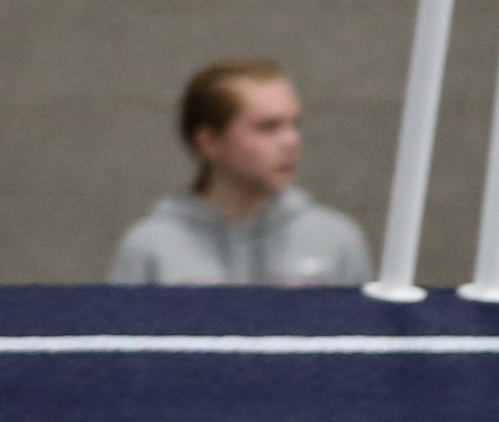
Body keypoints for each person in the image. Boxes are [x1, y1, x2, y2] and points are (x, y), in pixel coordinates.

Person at [106, 60, 374, 288]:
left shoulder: (335, 239)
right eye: (268, 127)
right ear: (209, 142)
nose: (291, 141)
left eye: (294, 125)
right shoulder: (151, 247)